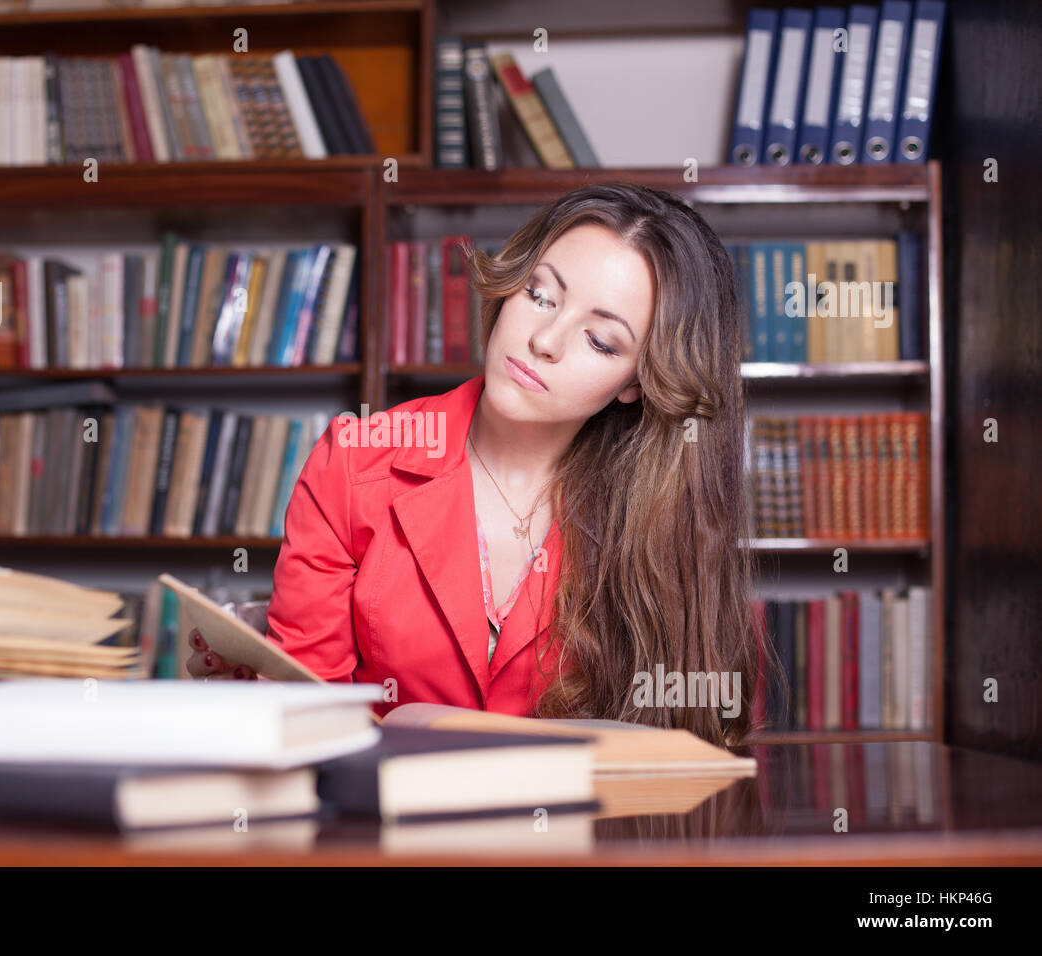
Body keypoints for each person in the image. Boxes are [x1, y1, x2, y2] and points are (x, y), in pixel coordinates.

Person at [187, 183, 771, 748]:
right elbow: (308, 726)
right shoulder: (354, 463)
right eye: (541, 295)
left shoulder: (663, 513)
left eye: (600, 340)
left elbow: (688, 751)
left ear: (637, 382)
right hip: (384, 837)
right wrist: (263, 687)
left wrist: (429, 724)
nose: (545, 339)